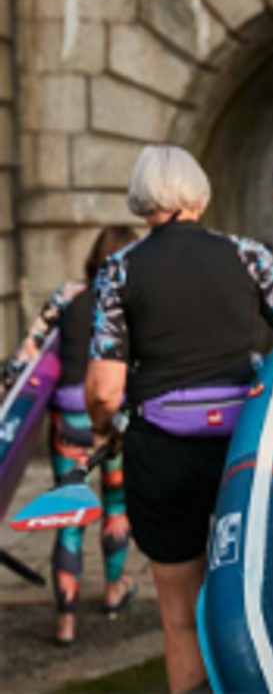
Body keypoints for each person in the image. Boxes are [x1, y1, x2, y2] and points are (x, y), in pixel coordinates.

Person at [84, 145, 273, 694]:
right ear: (198, 195)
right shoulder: (249, 256)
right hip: (243, 451)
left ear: (143, 199)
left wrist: (103, 431)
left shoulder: (119, 270)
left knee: (181, 616)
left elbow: (104, 389)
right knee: (265, 595)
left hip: (162, 456)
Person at [2, 226, 139, 646]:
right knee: (116, 502)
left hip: (70, 422)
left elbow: (25, 356)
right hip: (116, 417)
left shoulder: (67, 295)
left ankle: (66, 623)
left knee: (69, 516)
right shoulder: (137, 300)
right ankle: (114, 590)